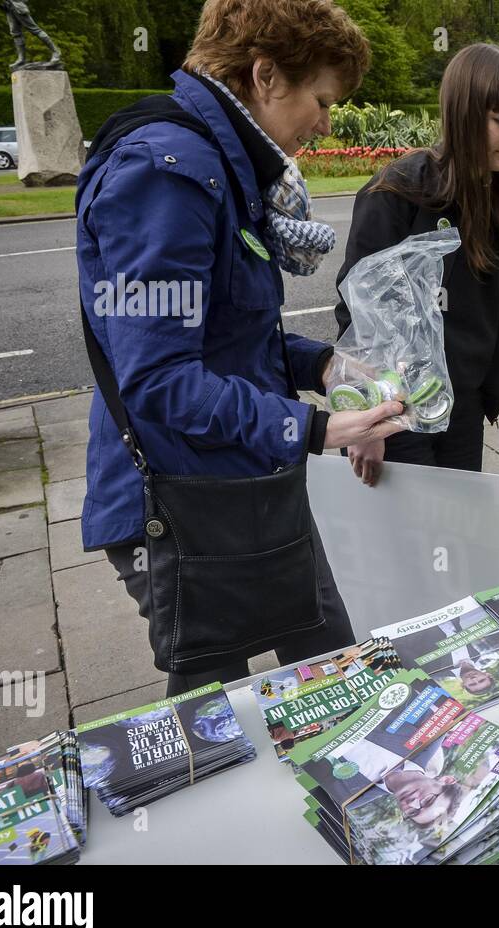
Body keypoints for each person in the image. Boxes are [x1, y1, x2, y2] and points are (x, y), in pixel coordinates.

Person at [77, 0, 406, 694]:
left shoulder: (220, 159)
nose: (325, 122)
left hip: (235, 480)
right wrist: (316, 427)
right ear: (264, 76)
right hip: (179, 501)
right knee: (220, 710)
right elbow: (161, 379)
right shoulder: (169, 172)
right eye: (320, 100)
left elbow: (230, 334)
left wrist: (325, 363)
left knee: (330, 671)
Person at [335, 43, 499, 481]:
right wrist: (370, 419)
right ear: (463, 113)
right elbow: (357, 312)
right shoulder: (396, 192)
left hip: (460, 409)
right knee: (407, 544)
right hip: (398, 413)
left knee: (452, 541)